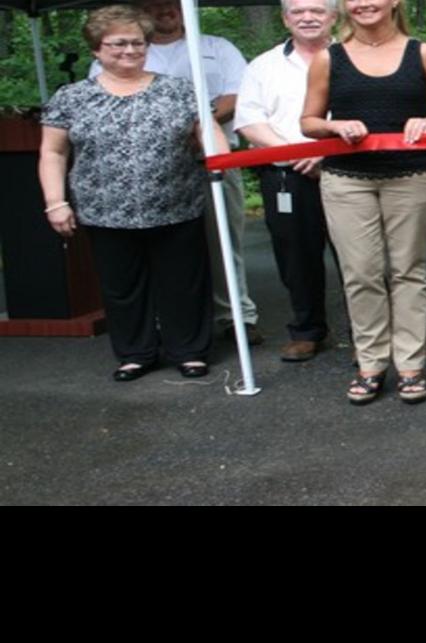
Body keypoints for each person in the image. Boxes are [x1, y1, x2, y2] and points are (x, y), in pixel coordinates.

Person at [42, 4, 222, 381]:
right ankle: (135, 353)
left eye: (137, 43)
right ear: (97, 49)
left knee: (183, 282)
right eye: (118, 44)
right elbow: (53, 152)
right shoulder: (72, 97)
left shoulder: (179, 90)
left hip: (176, 204)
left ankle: (188, 350)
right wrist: (55, 202)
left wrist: (217, 152)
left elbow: (207, 134)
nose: (129, 51)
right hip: (104, 209)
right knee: (122, 286)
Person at [301, 0, 426, 405]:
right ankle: (371, 364)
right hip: (347, 180)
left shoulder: (423, 52)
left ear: (393, 2)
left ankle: (410, 365)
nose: (364, 3)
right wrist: (333, 125)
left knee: (408, 272)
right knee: (361, 273)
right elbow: (308, 122)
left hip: (411, 176)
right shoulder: (328, 58)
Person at [93, 0, 259, 345]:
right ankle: (162, 320)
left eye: (171, 3)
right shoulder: (130, 51)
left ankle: (235, 315)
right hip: (150, 171)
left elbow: (238, 94)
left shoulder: (216, 47)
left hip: (211, 158)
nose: (164, 9)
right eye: (153, 4)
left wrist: (196, 126)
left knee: (223, 240)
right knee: (165, 249)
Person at [235, 0, 346, 363]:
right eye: (298, 12)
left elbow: (369, 112)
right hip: (286, 175)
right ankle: (306, 331)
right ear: (285, 19)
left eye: (317, 10)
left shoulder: (353, 56)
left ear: (333, 17)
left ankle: (368, 334)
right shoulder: (263, 66)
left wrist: (326, 153)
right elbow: (249, 121)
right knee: (295, 256)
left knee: (358, 255)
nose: (307, 18)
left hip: (347, 170)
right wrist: (298, 152)